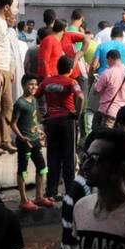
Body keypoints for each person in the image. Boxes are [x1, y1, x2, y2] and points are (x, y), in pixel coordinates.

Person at [36, 55, 85, 202]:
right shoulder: (72, 81)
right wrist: (77, 113)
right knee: (69, 157)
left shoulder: (46, 81)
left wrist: (40, 114)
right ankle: (70, 192)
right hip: (67, 121)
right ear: (70, 69)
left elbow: (37, 96)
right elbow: (81, 97)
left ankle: (51, 191)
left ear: (58, 67)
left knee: (53, 156)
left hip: (50, 121)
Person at [13, 76, 55, 211]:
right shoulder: (20, 103)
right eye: (30, 84)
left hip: (35, 139)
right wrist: (21, 137)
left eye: (36, 85)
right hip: (24, 142)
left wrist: (39, 131)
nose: (33, 87)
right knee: (23, 170)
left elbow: (33, 119)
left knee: (42, 167)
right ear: (23, 85)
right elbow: (12, 123)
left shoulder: (34, 100)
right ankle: (24, 200)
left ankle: (39, 196)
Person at [92, 48, 125, 129]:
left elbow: (96, 90)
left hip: (107, 112)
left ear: (110, 59)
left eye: (107, 61)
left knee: (102, 138)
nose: (107, 63)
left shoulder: (107, 73)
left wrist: (98, 82)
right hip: (123, 114)